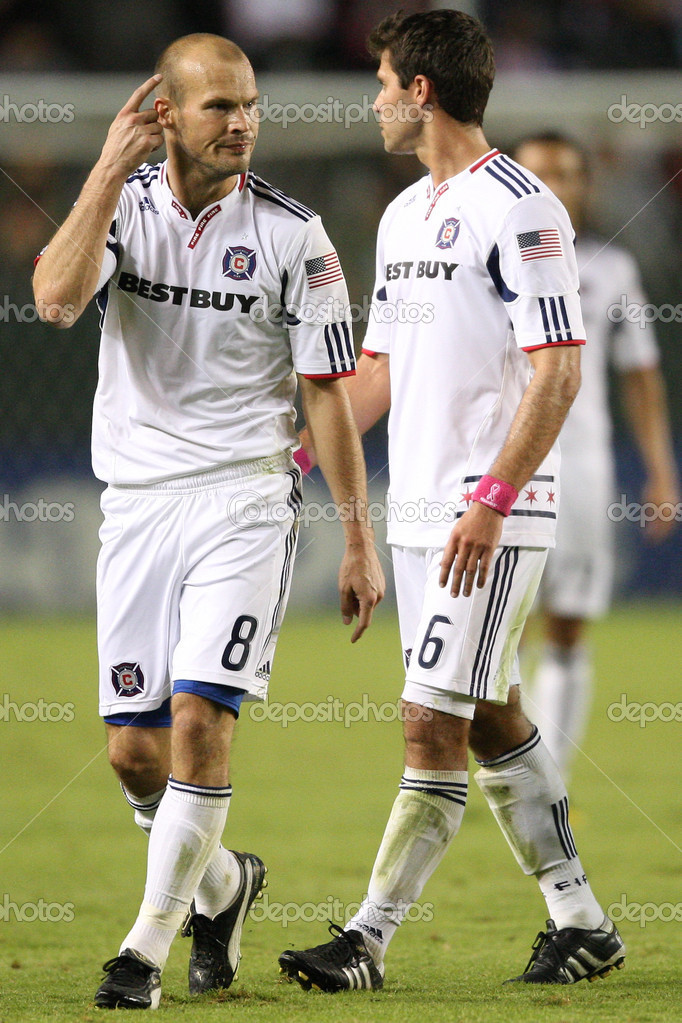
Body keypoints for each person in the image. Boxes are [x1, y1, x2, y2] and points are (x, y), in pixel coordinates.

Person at [33, 33, 384, 1010]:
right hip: (138, 507)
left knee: (199, 721)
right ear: (167, 116)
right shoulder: (125, 210)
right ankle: (224, 888)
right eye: (219, 106)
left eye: (250, 104)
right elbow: (55, 300)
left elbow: (327, 396)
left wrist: (357, 537)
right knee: (133, 754)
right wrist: (107, 165)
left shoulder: (295, 235)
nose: (241, 123)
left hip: (245, 502)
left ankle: (141, 952)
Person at [278, 9, 626, 990]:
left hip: (494, 515)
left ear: (419, 91)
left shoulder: (520, 207)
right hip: (421, 510)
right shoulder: (402, 215)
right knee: (487, 716)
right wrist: (302, 452)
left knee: (428, 721)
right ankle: (583, 922)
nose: (375, 99)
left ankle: (366, 940)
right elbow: (380, 367)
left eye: (383, 81)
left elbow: (558, 367)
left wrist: (493, 496)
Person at [512, 132, 679, 780]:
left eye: (566, 173)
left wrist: (661, 470)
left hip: (582, 471)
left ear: (586, 184)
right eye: (538, 174)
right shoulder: (488, 262)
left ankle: (548, 780)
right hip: (500, 469)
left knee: (568, 625)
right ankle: (504, 768)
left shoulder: (612, 270)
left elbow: (641, 376)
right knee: (499, 627)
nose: (553, 186)